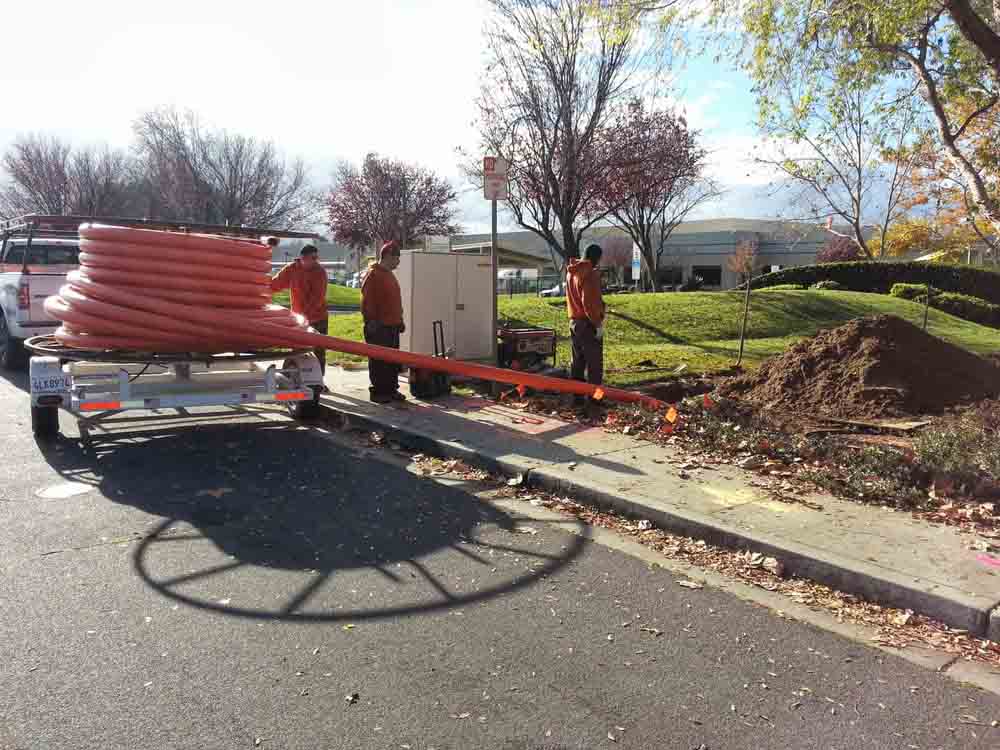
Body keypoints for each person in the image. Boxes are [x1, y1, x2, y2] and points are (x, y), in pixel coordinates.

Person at [271, 244, 330, 382]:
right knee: (295, 349)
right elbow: (276, 284)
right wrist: (260, 287)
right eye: (313, 258)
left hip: (317, 318)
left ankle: (319, 381)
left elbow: (317, 298)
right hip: (298, 318)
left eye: (317, 257)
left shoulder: (320, 272)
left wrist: (304, 318)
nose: (316, 260)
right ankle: (290, 377)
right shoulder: (292, 269)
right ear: (303, 258)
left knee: (318, 351)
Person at [361, 241, 406, 404]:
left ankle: (391, 389)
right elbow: (367, 302)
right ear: (387, 256)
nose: (398, 262)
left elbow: (395, 301)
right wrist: (372, 322)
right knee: (379, 362)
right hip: (379, 326)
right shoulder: (374, 275)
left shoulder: (388, 274)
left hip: (392, 325)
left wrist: (399, 320)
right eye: (397, 258)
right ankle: (379, 392)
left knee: (392, 361)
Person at [566, 243, 605, 409]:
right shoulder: (590, 274)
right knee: (595, 366)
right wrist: (598, 324)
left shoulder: (571, 273)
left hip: (574, 322)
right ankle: (596, 400)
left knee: (578, 364)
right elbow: (589, 303)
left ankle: (577, 398)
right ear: (596, 258)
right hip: (588, 323)